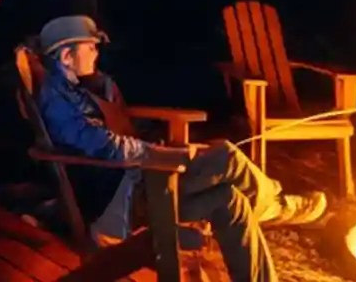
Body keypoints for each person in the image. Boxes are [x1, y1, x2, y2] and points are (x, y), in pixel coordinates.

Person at [34, 15, 328, 282]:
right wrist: (164, 154)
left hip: (140, 182)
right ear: (66, 56)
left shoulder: (81, 87)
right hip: (125, 200)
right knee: (226, 155)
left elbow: (116, 125)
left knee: (232, 201)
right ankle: (278, 205)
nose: (97, 52)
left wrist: (101, 87)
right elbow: (107, 147)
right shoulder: (58, 102)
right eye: (91, 47)